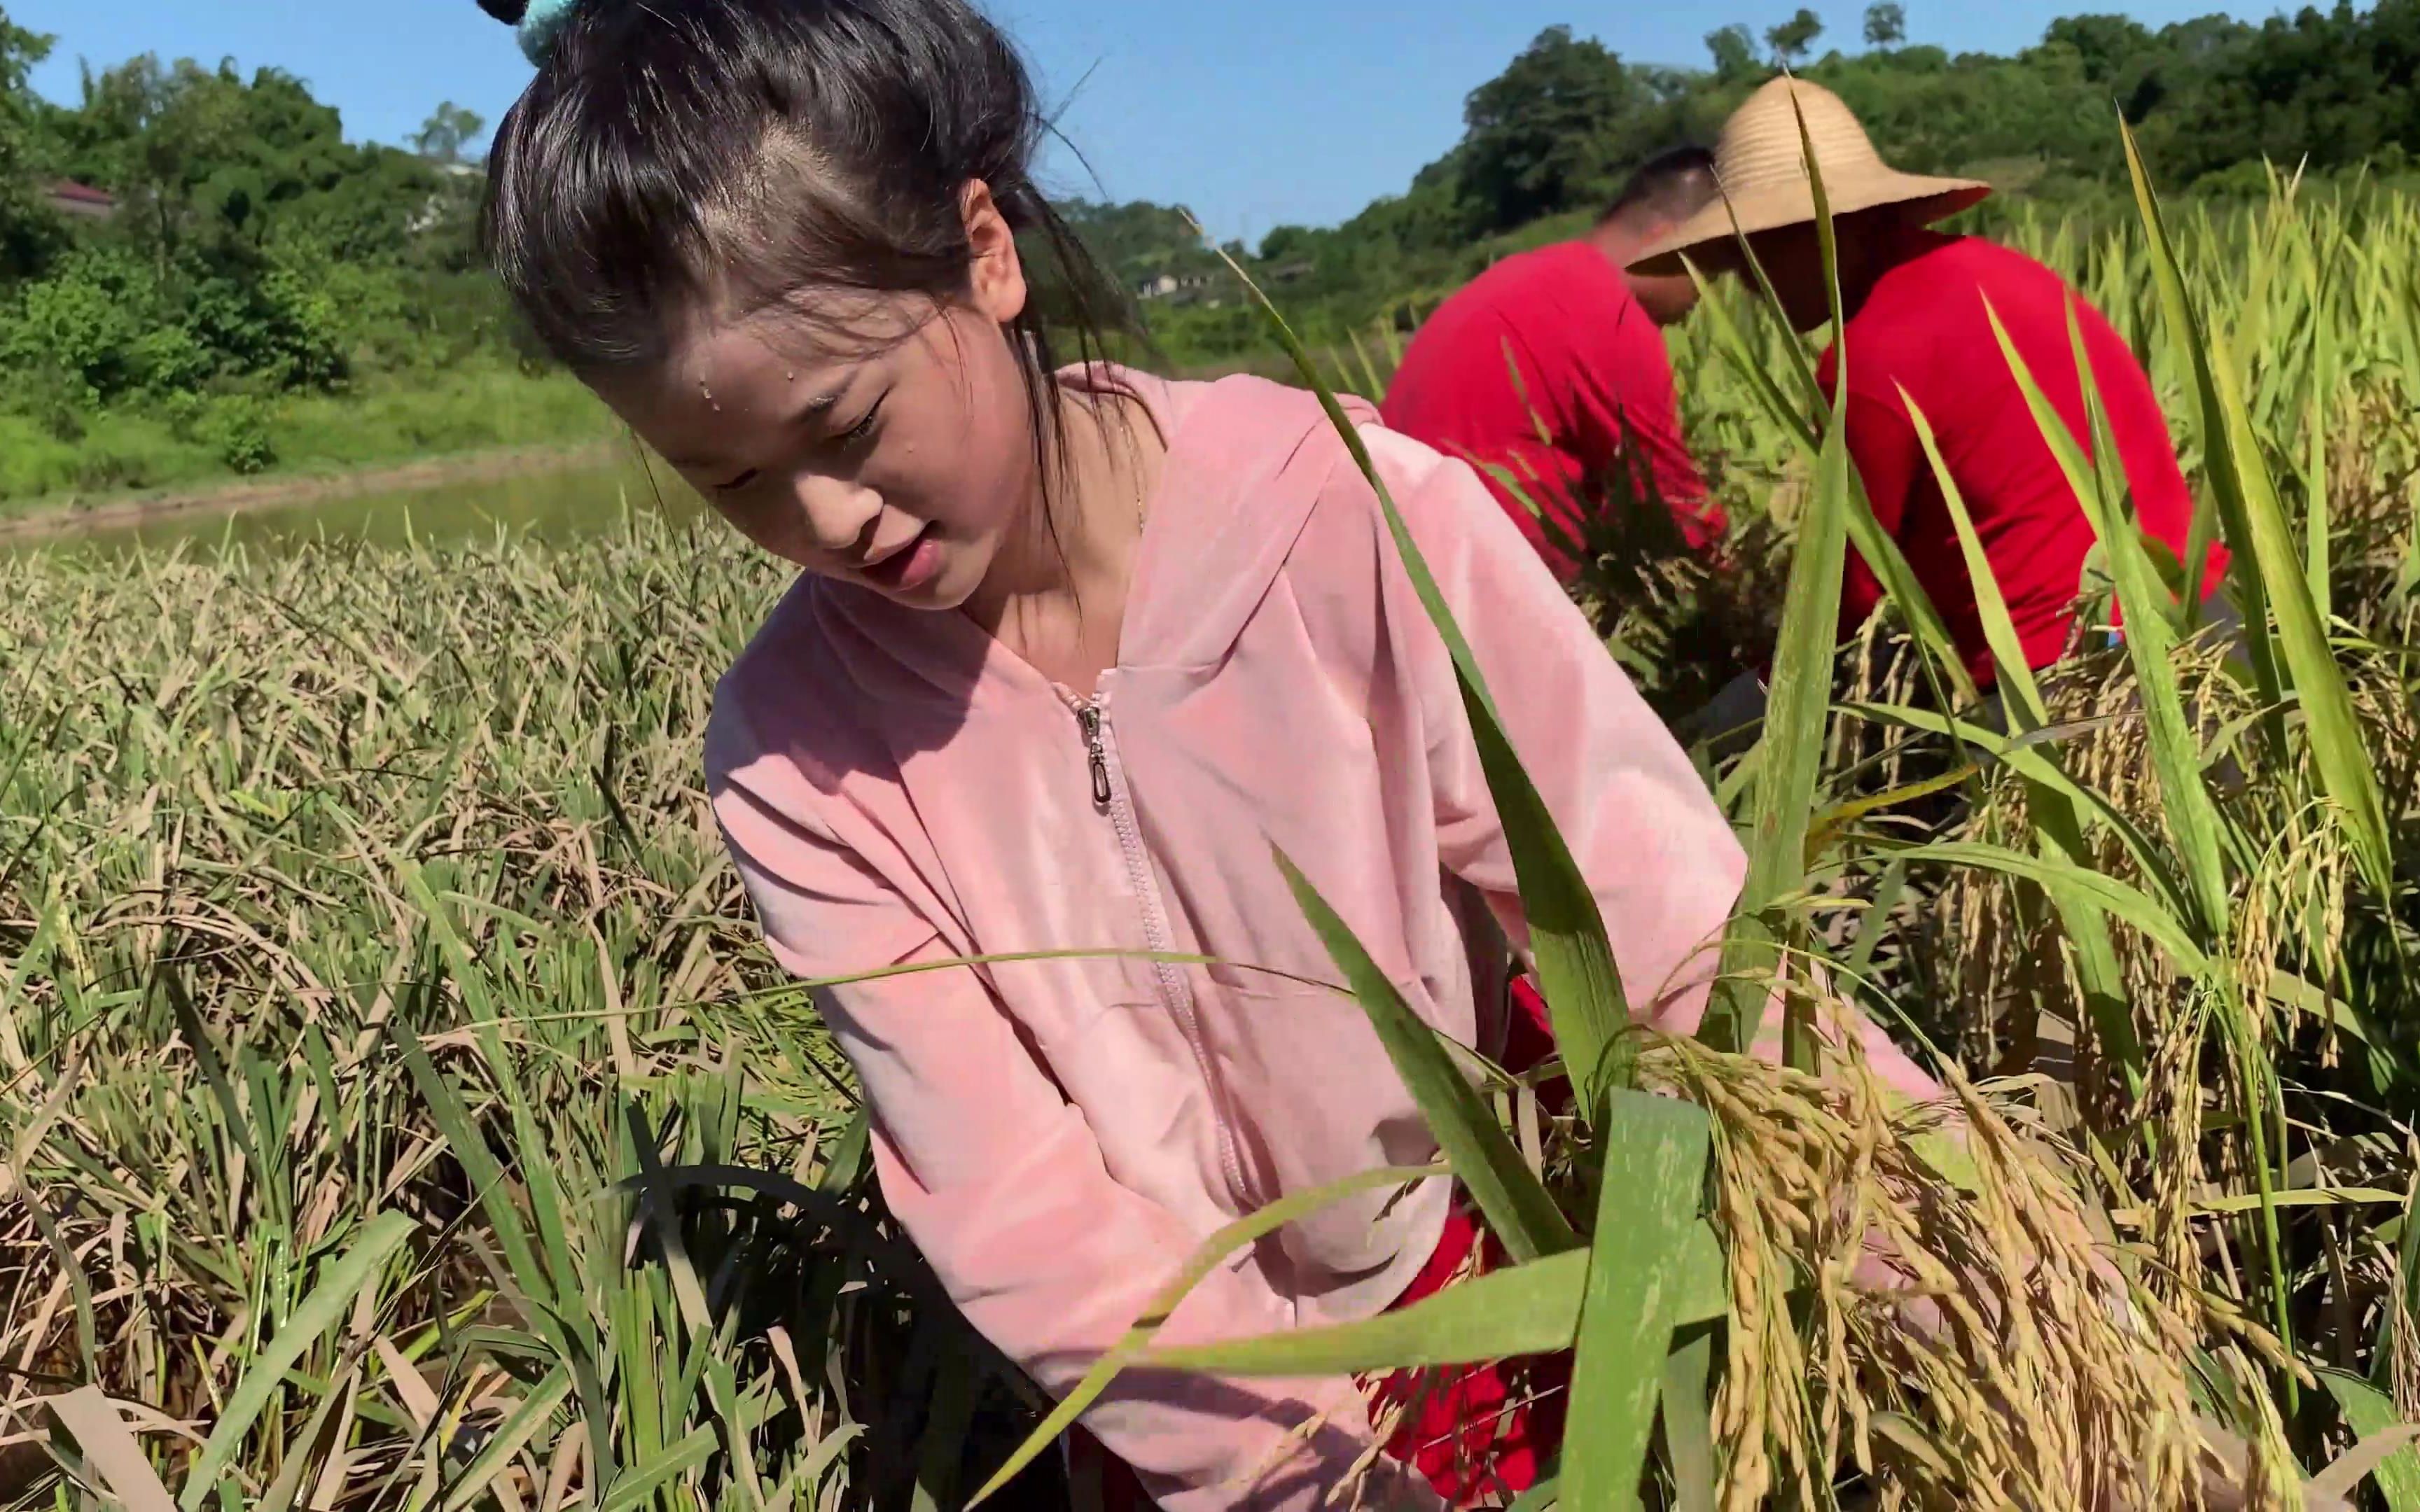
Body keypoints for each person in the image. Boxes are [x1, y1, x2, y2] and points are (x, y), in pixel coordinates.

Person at [475, 3, 1937, 1508]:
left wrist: (1964, 1265)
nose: (825, 517)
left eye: (845, 421)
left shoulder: (1357, 521)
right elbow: (1020, 1212)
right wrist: (1309, 1483)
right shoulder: (797, 756)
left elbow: (1674, 930)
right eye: (735, 481)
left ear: (984, 250)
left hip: (1488, 1301)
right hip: (1169, 1417)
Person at [1629, 78, 2228, 693]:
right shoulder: (2005, 273)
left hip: (2079, 677)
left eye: (1759, 251)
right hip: (2215, 630)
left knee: (1731, 731)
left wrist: (1753, 693)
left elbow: (1852, 603)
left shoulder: (1866, 360)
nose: (1749, 285)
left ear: (1839, 229)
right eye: (1735, 261)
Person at [1382, 149, 1727, 581]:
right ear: (1666, 242)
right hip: (1476, 592)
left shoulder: (1525, 276)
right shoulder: (1607, 314)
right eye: (1706, 273)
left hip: (1396, 563)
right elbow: (1676, 509)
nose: (1702, 297)